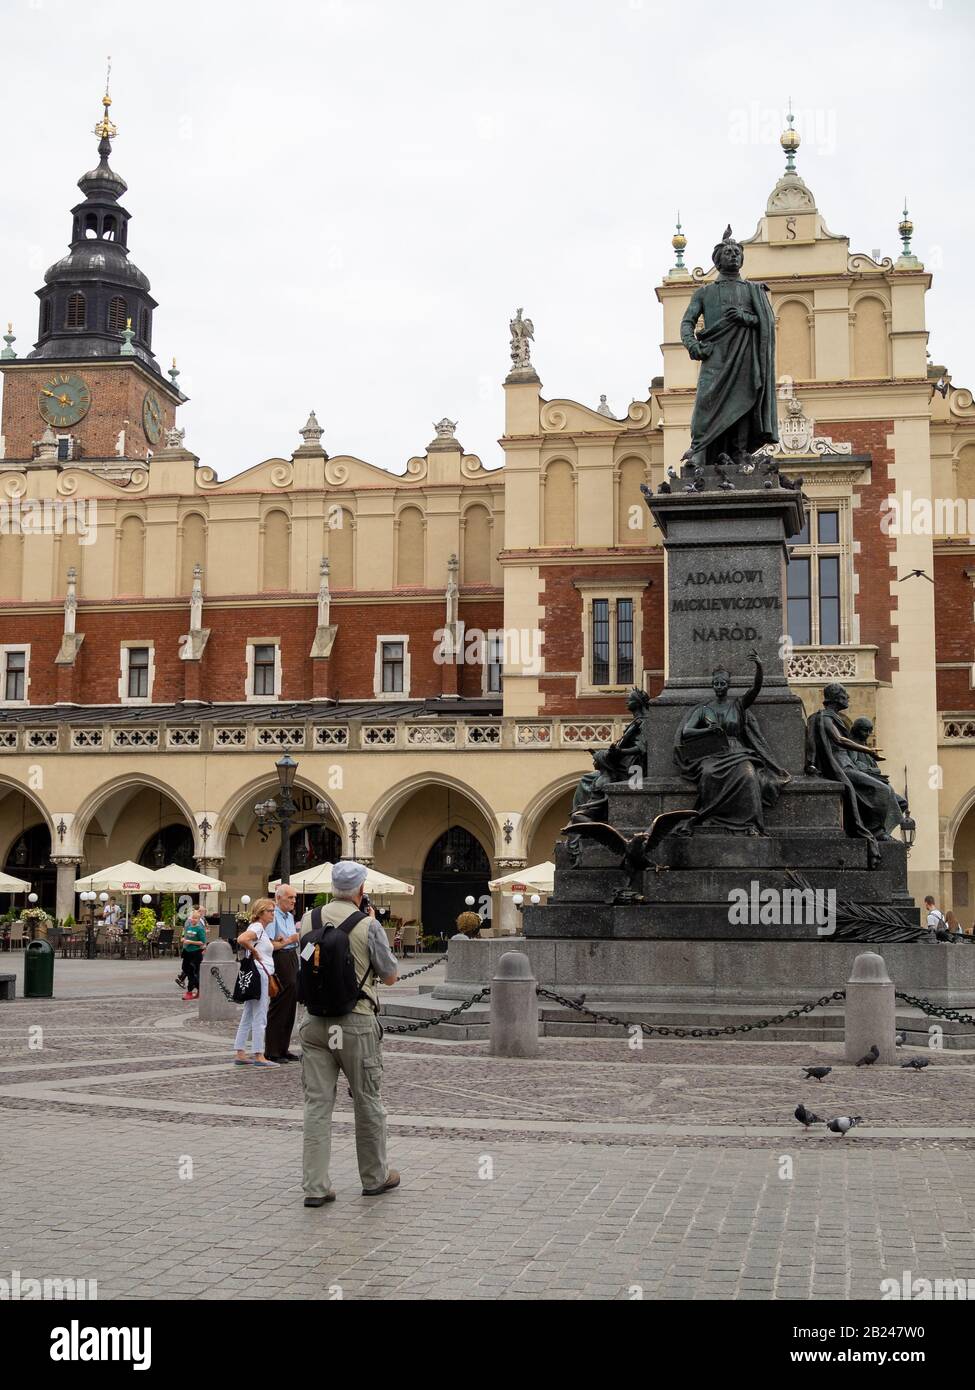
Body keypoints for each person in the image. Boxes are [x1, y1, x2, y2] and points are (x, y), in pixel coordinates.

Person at [299, 860, 400, 1206]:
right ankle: (374, 1177)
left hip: (314, 1024)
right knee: (367, 1101)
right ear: (360, 890)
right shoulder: (369, 924)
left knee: (317, 1105)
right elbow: (390, 975)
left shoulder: (307, 920)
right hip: (355, 1023)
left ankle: (315, 1186)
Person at [233, 899, 278, 1067]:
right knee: (260, 1014)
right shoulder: (258, 928)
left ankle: (240, 1051)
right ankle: (259, 1054)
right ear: (261, 913)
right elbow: (242, 939)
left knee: (249, 1013)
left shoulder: (260, 930)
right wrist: (254, 951)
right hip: (261, 973)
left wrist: (286, 941)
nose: (273, 913)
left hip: (258, 972)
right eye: (270, 911)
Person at [265, 883, 300, 1063]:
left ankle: (283, 1048)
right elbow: (270, 943)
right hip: (280, 957)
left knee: (290, 1004)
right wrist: (290, 940)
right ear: (279, 898)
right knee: (279, 1004)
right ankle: (272, 1050)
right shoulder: (274, 915)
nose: (294, 901)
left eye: (295, 897)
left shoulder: (288, 916)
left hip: (292, 956)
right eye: (290, 897)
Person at [180, 904, 207, 1000]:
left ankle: (190, 991)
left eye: (195, 918)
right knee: (186, 970)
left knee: (193, 973)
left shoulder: (200, 929)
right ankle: (199, 990)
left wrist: (190, 942)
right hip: (187, 952)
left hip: (196, 953)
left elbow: (202, 942)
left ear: (199, 919)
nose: (193, 920)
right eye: (192, 918)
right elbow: (185, 937)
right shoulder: (189, 927)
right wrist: (183, 939)